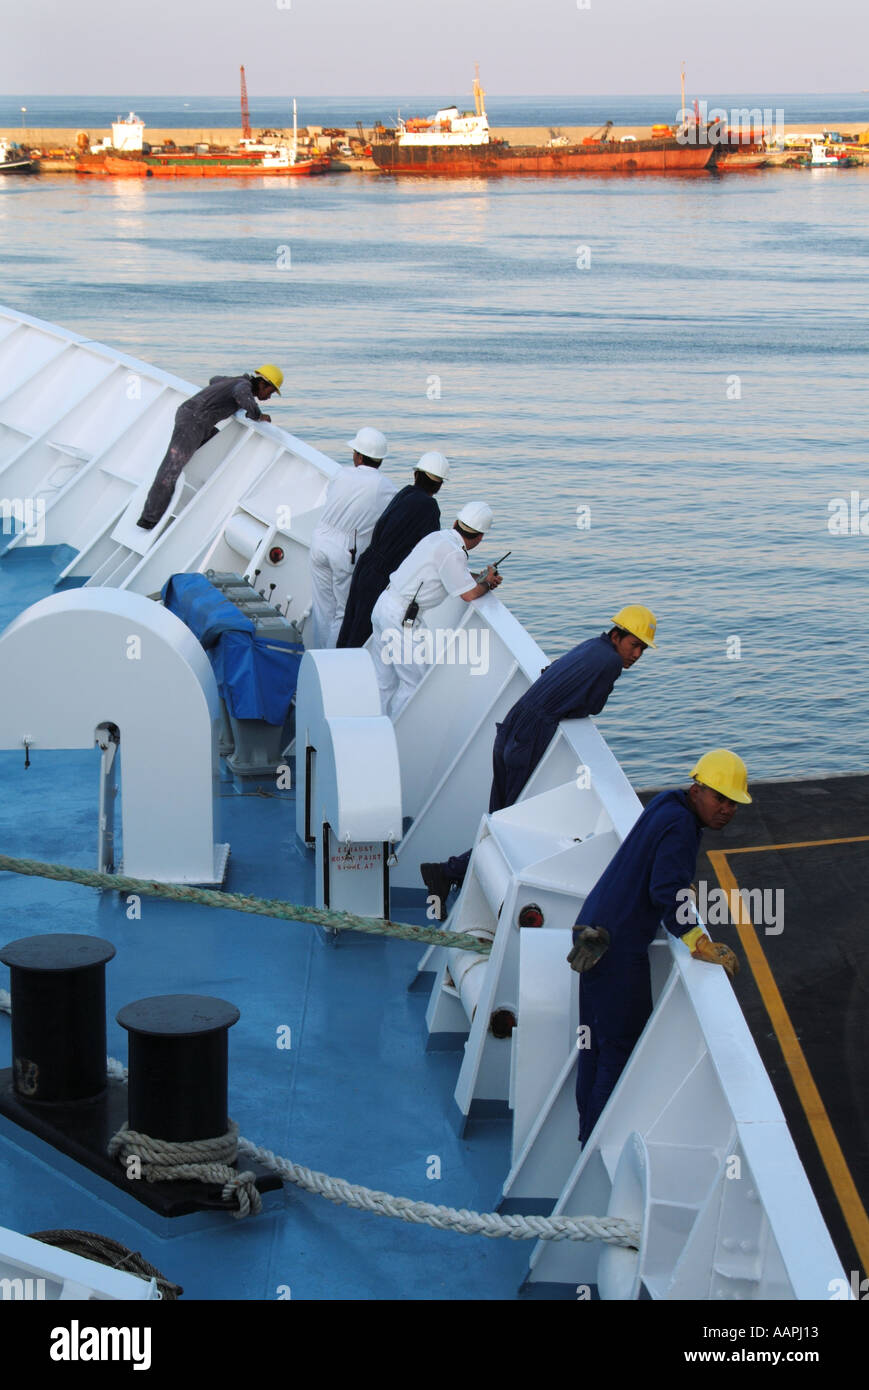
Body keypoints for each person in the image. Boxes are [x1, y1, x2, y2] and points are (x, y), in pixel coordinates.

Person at [420, 605, 658, 917]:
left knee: (499, 820)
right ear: (617, 636)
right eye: (634, 645)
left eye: (642, 649)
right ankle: (447, 872)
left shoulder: (590, 646)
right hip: (530, 736)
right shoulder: (610, 662)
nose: (636, 654)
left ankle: (452, 876)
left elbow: (551, 672)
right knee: (507, 825)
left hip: (512, 726)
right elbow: (593, 705)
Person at [570, 748, 748, 1146]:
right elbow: (666, 891)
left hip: (591, 931)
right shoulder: (683, 827)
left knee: (592, 1042)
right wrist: (699, 942)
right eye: (720, 798)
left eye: (734, 803)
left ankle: (585, 1132)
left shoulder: (668, 802)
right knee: (622, 1048)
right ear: (698, 790)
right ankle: (594, 1144)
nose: (727, 810)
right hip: (616, 949)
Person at [369, 501, 502, 718]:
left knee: (383, 681)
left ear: (456, 522)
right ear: (480, 537)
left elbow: (454, 573)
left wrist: (480, 578)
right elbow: (469, 594)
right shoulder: (454, 553)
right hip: (401, 619)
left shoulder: (437, 538)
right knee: (414, 685)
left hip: (384, 605)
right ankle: (397, 731)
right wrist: (487, 583)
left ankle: (378, 728)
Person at [136, 364, 283, 530]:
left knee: (214, 438)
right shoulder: (243, 386)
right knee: (170, 469)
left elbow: (214, 380)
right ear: (262, 384)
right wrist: (258, 415)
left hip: (196, 419)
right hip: (194, 422)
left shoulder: (236, 381)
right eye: (270, 392)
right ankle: (149, 518)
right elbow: (242, 395)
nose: (268, 397)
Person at [336, 452, 449, 649]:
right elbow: (430, 548)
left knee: (350, 625)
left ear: (416, 474)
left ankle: (338, 663)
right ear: (439, 485)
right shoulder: (429, 507)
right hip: (382, 575)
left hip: (366, 564)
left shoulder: (405, 493)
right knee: (362, 634)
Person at [308, 426, 397, 649]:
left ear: (358, 455)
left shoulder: (341, 474)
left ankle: (317, 653)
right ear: (380, 460)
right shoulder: (385, 487)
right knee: (342, 611)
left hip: (320, 541)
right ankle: (331, 660)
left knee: (322, 608)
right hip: (346, 551)